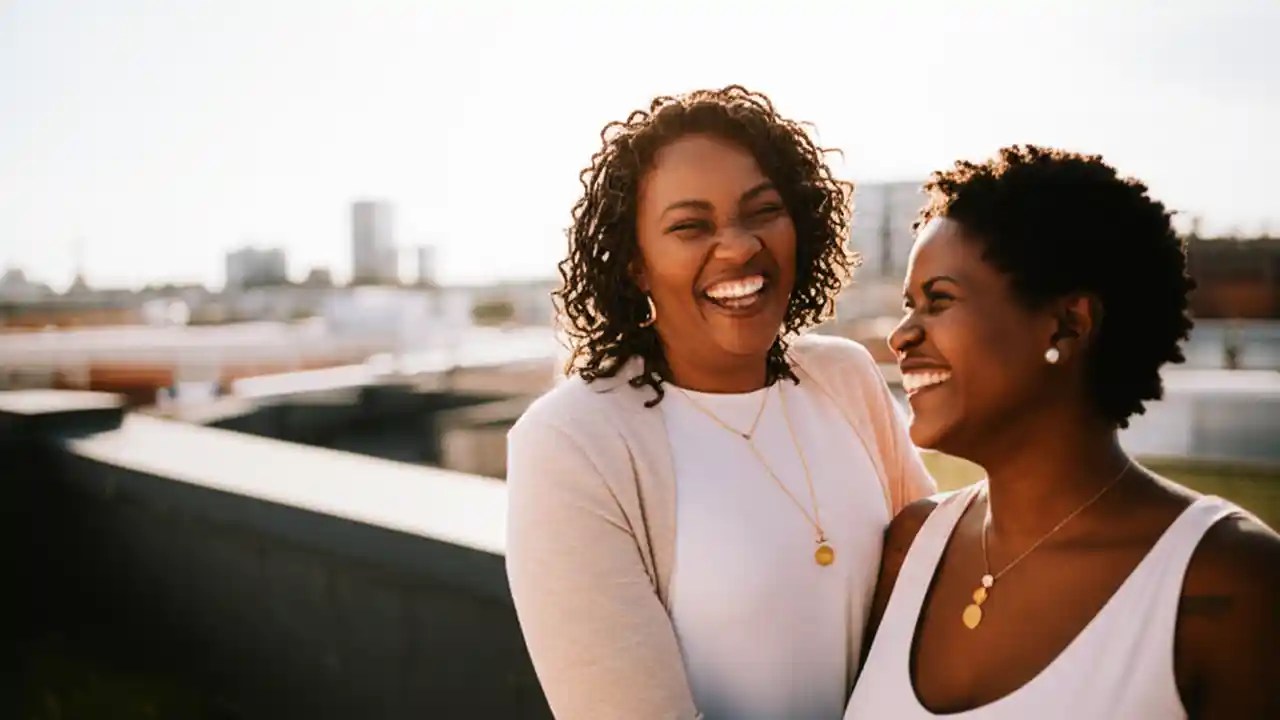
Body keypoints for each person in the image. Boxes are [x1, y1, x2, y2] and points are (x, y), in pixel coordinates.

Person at [505, 86, 935, 720]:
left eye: (762, 211)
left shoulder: (844, 377)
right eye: (690, 226)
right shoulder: (573, 440)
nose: (737, 247)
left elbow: (932, 570)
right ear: (634, 265)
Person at [847, 146, 1280, 719]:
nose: (901, 336)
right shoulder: (911, 547)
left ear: (1067, 324)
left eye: (939, 300)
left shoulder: (1231, 584)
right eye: (909, 304)